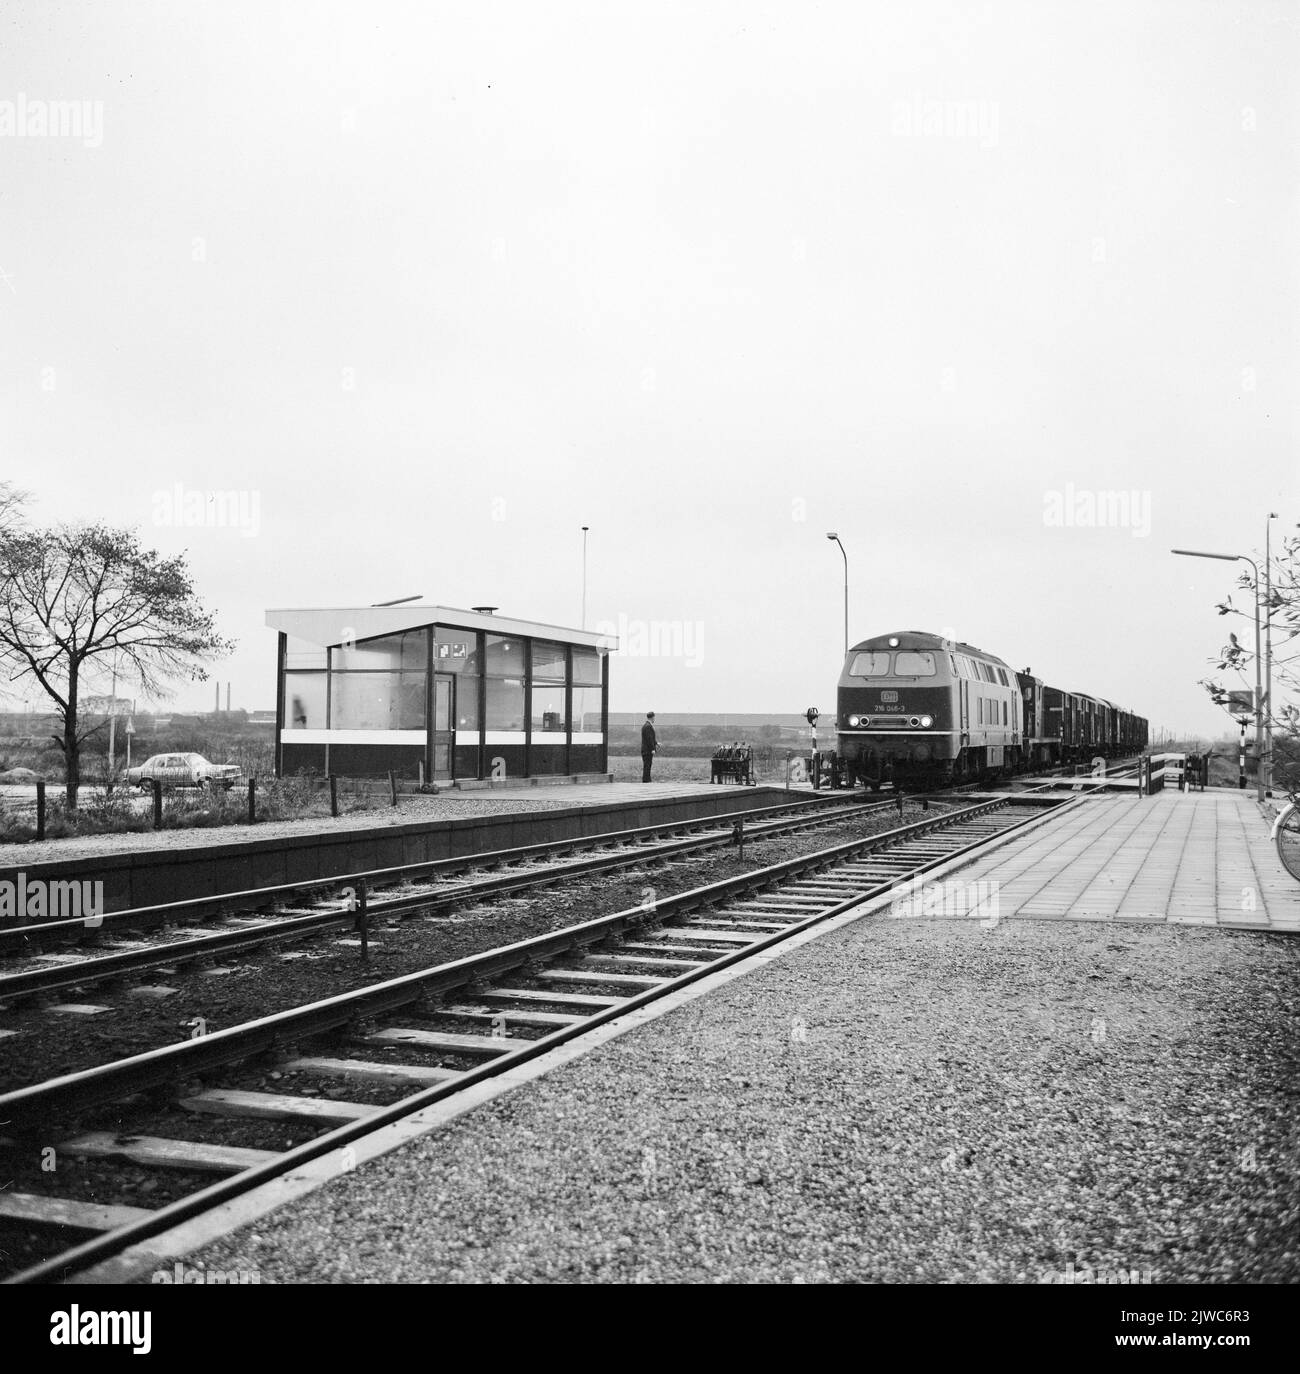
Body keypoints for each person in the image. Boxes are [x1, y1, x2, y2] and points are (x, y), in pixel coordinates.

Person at [641, 711, 658, 782]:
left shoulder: (646, 725)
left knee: (647, 765)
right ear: (652, 717)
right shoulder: (648, 726)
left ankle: (647, 779)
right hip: (647, 750)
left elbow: (650, 738)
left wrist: (656, 743)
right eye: (654, 717)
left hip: (645, 750)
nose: (654, 719)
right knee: (647, 765)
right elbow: (649, 739)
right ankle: (646, 780)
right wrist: (652, 749)